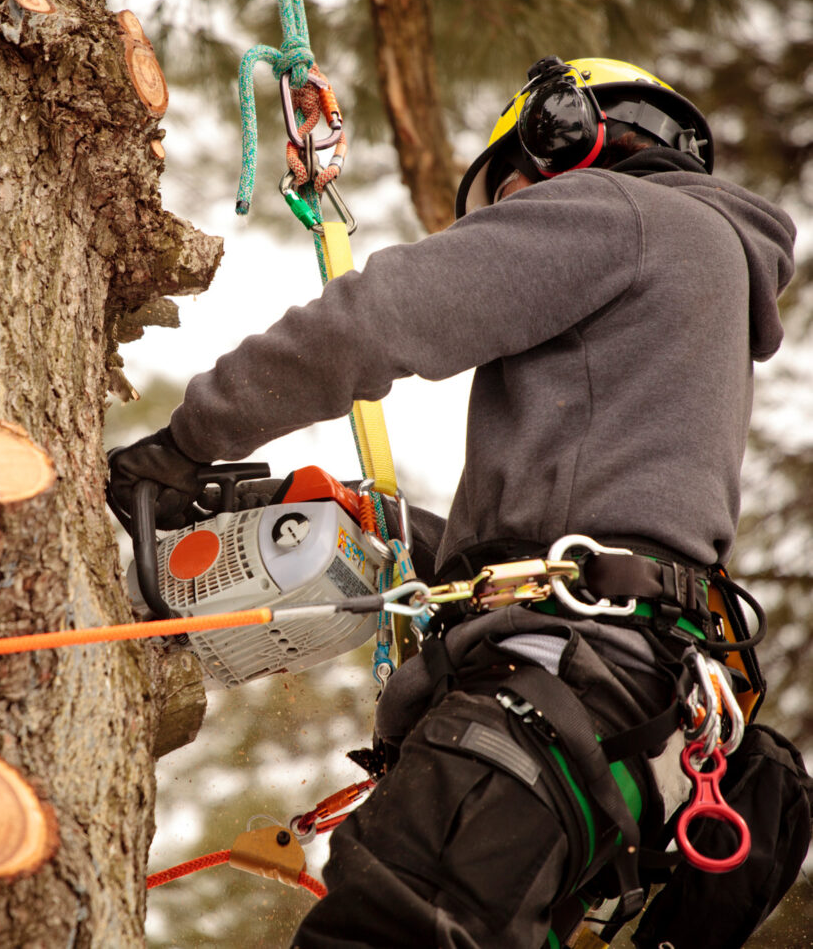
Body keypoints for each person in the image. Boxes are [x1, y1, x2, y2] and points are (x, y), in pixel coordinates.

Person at [108, 57, 797, 947]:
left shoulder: (619, 210)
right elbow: (597, 534)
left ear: (565, 137)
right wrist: (392, 533)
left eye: (509, 197)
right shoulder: (704, 281)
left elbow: (376, 321)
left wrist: (182, 444)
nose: (511, 223)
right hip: (626, 719)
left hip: (547, 697)